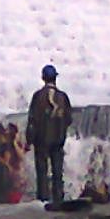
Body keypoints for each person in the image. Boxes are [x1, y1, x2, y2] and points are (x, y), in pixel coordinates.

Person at [25, 64, 72, 204]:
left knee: (42, 171)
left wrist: (29, 139)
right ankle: (58, 197)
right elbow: (69, 119)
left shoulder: (37, 96)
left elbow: (32, 120)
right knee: (58, 171)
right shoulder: (63, 97)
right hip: (58, 140)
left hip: (41, 140)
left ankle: (43, 199)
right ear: (55, 78)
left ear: (43, 78)